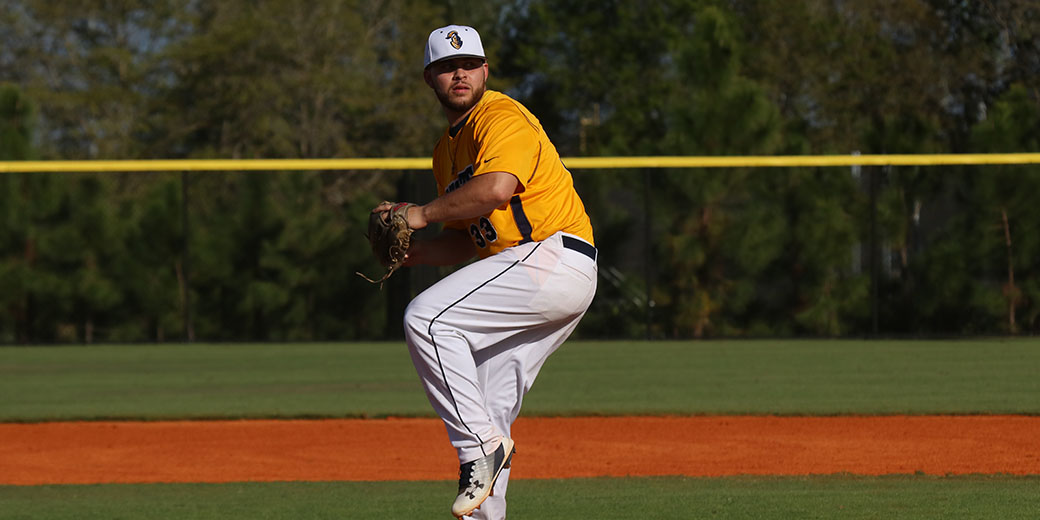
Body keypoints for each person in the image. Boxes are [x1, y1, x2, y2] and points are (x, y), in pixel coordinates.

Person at [370, 24, 598, 520]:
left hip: (551, 257)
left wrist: (421, 213)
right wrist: (417, 254)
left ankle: (479, 449)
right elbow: (470, 236)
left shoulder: (501, 115)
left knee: (428, 320)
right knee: (489, 409)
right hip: (528, 272)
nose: (460, 73)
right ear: (430, 77)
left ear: (485, 71)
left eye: (469, 64)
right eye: (448, 67)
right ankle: (485, 492)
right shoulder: (444, 152)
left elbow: (496, 188)